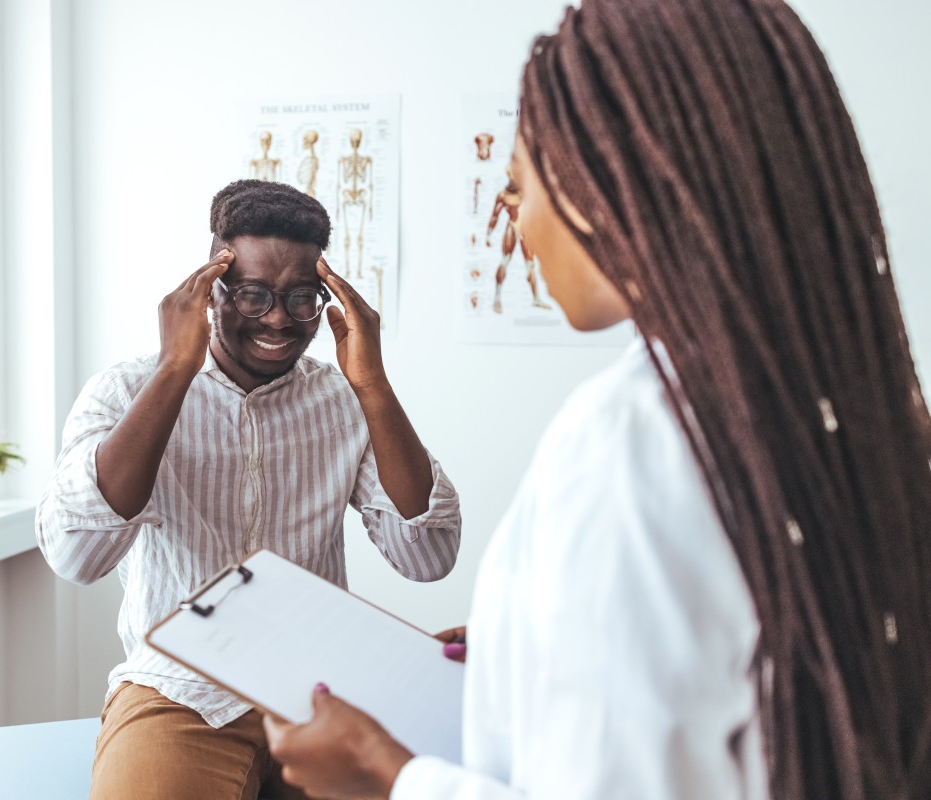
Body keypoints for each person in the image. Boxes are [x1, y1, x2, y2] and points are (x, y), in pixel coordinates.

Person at [262, 1, 931, 799]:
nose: (510, 216)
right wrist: (530, 643)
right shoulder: (869, 415)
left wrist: (385, 776)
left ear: (608, 184)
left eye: (517, 184)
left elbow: (428, 549)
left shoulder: (632, 443)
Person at [35, 178, 462, 800]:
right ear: (212, 290)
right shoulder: (127, 391)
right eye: (254, 294)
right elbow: (77, 558)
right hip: (180, 691)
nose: (279, 319)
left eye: (302, 298)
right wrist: (176, 368)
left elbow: (428, 558)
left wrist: (371, 384)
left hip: (324, 693)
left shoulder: (344, 400)